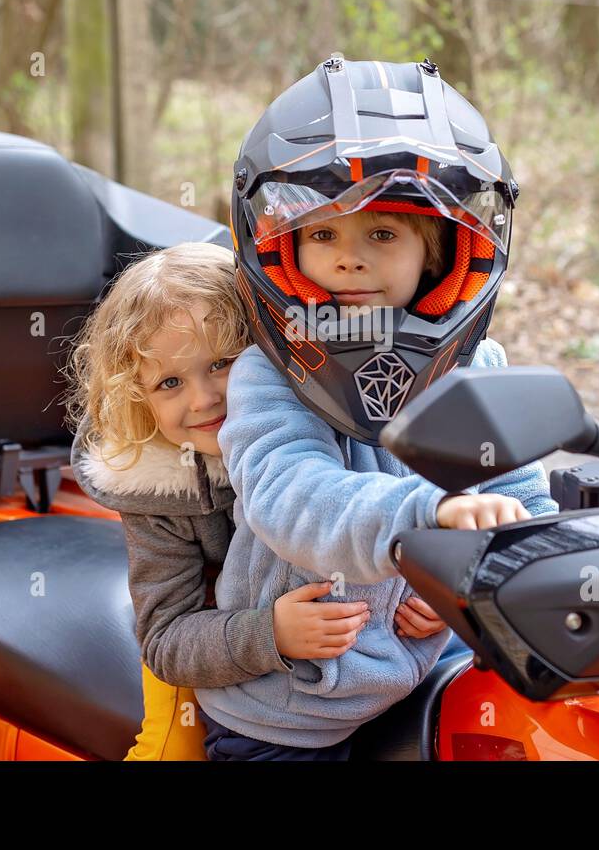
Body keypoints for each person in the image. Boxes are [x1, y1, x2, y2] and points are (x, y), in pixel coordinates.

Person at [194, 56, 559, 759]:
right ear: (283, 248)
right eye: (324, 234)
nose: (349, 259)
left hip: (420, 678)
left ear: (440, 255)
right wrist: (424, 529)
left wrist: (473, 593)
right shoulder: (269, 374)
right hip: (285, 713)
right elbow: (292, 499)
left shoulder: (472, 367)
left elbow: (519, 499)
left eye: (382, 235)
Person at [63, 241, 429, 759]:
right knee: (171, 749)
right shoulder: (156, 492)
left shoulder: (321, 433)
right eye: (169, 381)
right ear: (137, 398)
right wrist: (270, 635)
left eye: (222, 362)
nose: (204, 398)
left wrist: (437, 594)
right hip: (233, 677)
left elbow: (388, 509)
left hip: (373, 671)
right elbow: (167, 639)